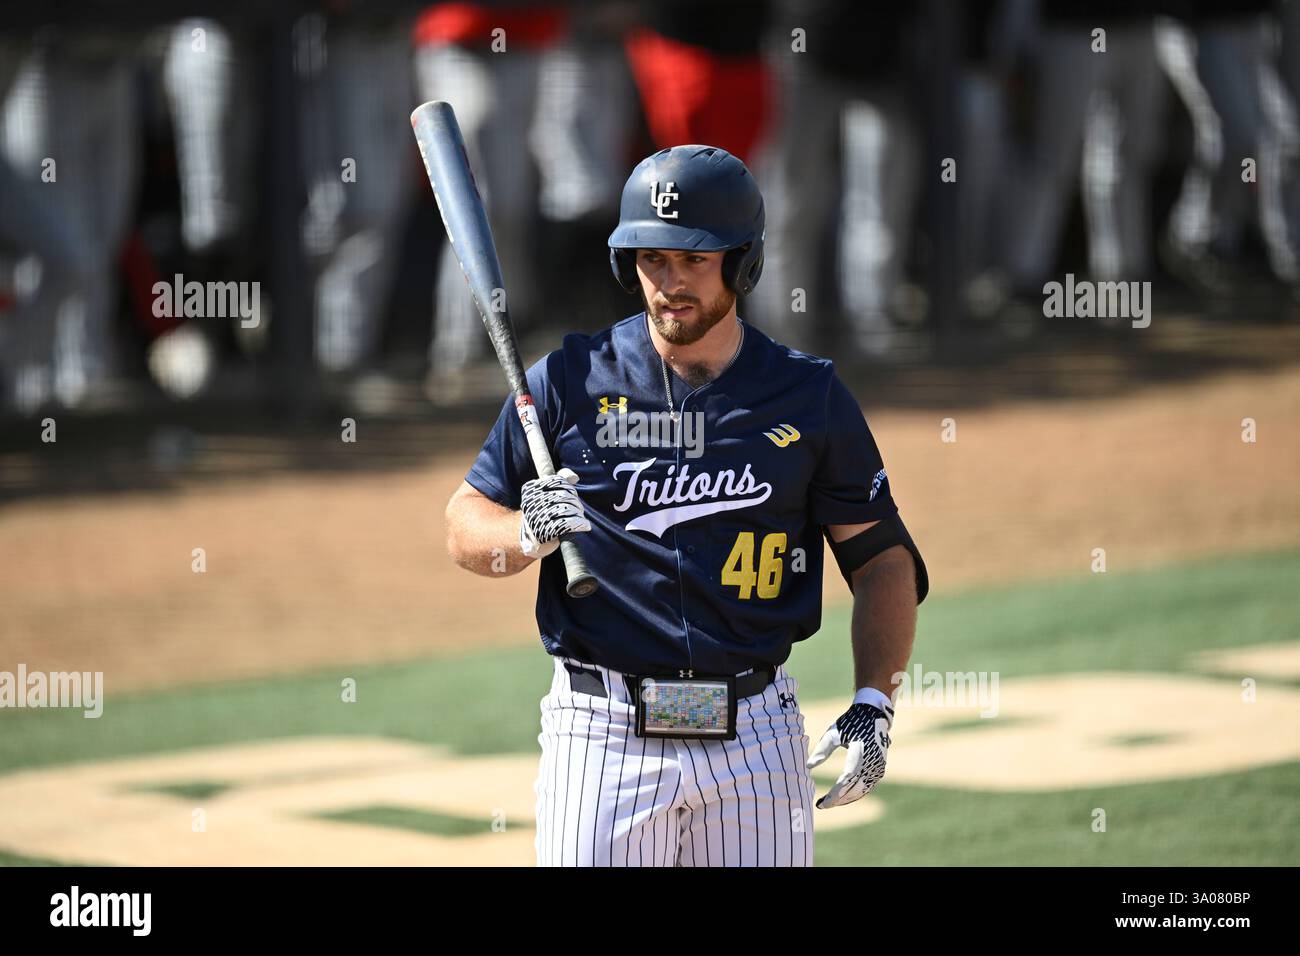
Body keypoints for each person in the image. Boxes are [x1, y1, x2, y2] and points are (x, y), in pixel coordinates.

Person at [444, 144, 928, 867]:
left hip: (757, 736)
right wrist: (524, 533)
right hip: (601, 732)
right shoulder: (568, 382)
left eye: (693, 261)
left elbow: (881, 560)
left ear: (743, 262)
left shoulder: (807, 394)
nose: (669, 284)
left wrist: (874, 702)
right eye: (651, 260)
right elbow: (464, 521)